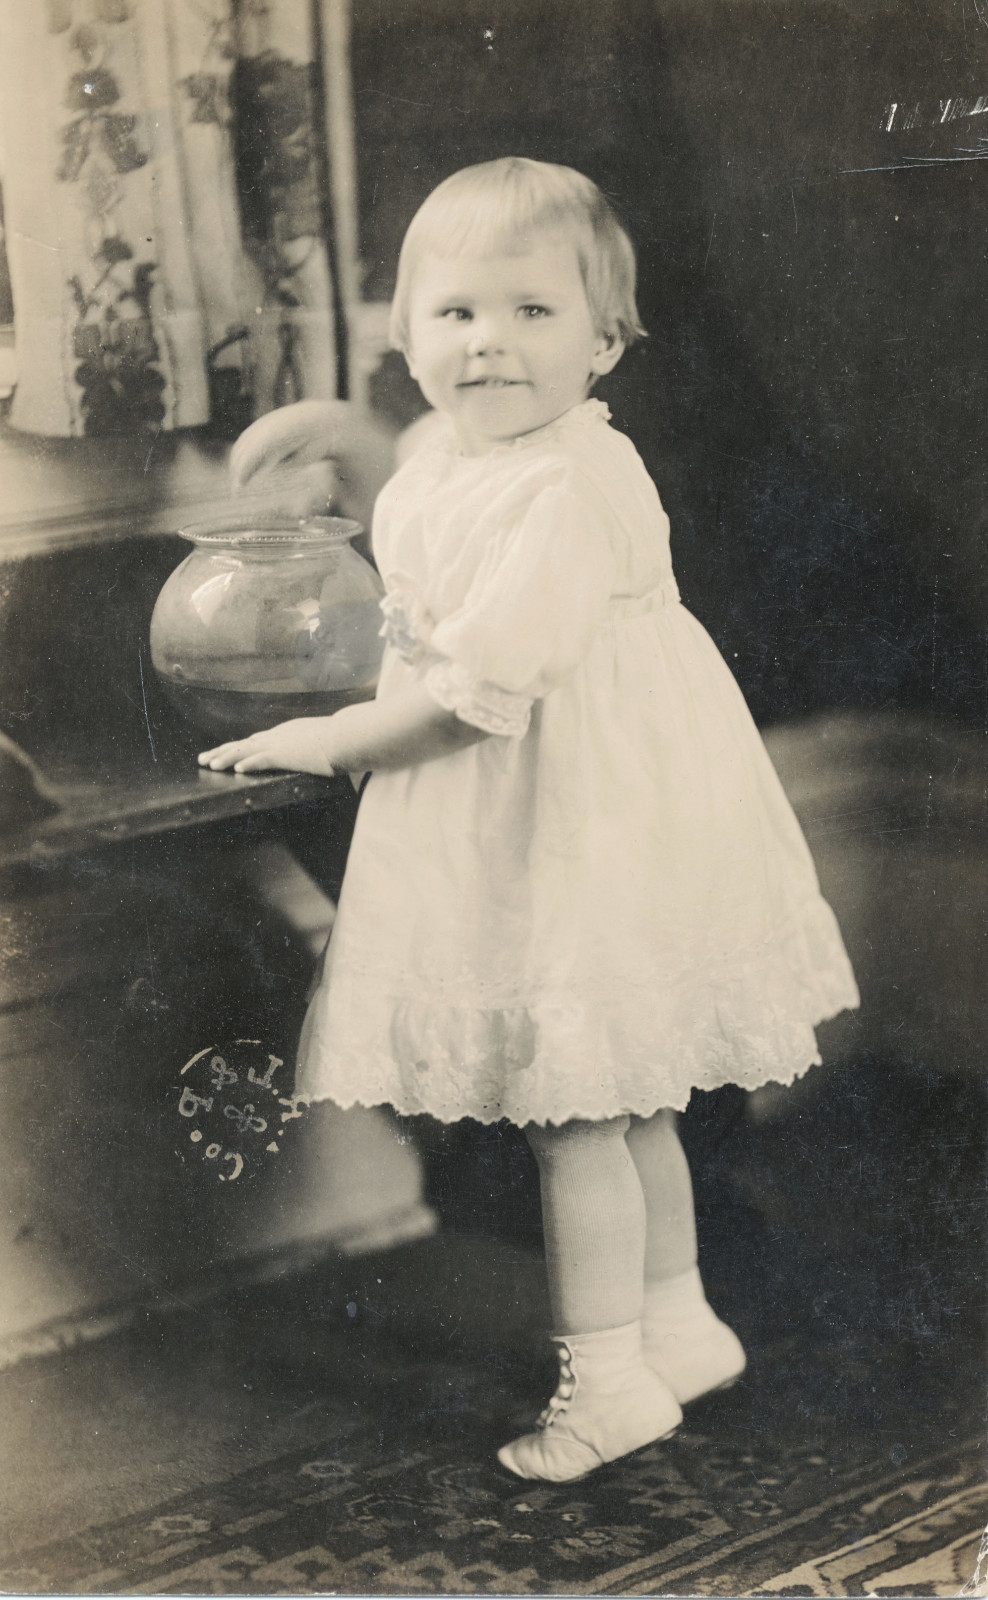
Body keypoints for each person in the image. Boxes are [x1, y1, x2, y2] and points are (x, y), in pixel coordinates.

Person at [200, 157, 859, 1484]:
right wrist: (339, 424)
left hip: (584, 810)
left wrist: (325, 741)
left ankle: (607, 1381)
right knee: (632, 1102)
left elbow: (469, 698)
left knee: (578, 1112)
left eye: (531, 313)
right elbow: (430, 484)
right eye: (453, 315)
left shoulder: (567, 487)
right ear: (407, 335)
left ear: (604, 344)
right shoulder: (470, 445)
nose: (487, 340)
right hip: (574, 798)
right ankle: (678, 1327)